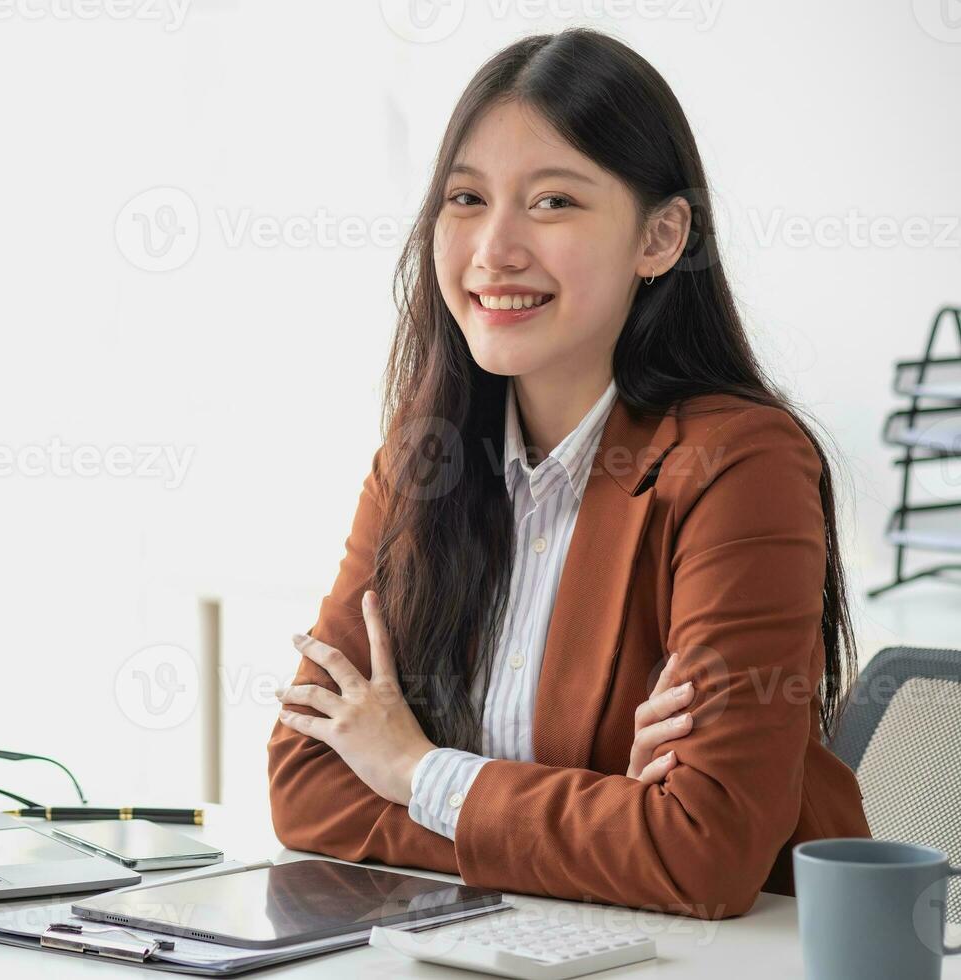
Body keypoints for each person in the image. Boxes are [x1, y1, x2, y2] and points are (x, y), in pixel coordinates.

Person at [266, 27, 870, 921]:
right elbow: (307, 788)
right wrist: (603, 817)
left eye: (552, 203)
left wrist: (413, 771)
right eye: (466, 197)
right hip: (501, 947)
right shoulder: (423, 456)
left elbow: (701, 853)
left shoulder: (739, 464)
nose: (495, 248)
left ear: (661, 238)